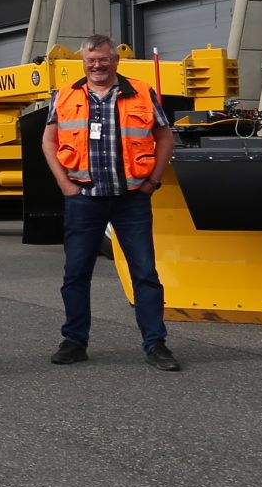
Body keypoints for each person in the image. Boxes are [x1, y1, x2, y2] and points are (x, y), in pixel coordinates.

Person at [40, 33, 181, 370]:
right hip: (83, 198)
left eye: (103, 59)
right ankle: (74, 341)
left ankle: (156, 344)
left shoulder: (141, 92)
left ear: (115, 60)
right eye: (91, 61)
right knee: (75, 274)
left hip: (131, 199)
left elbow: (165, 137)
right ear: (83, 62)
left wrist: (152, 181)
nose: (97, 66)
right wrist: (64, 185)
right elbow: (48, 141)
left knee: (145, 274)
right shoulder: (65, 95)